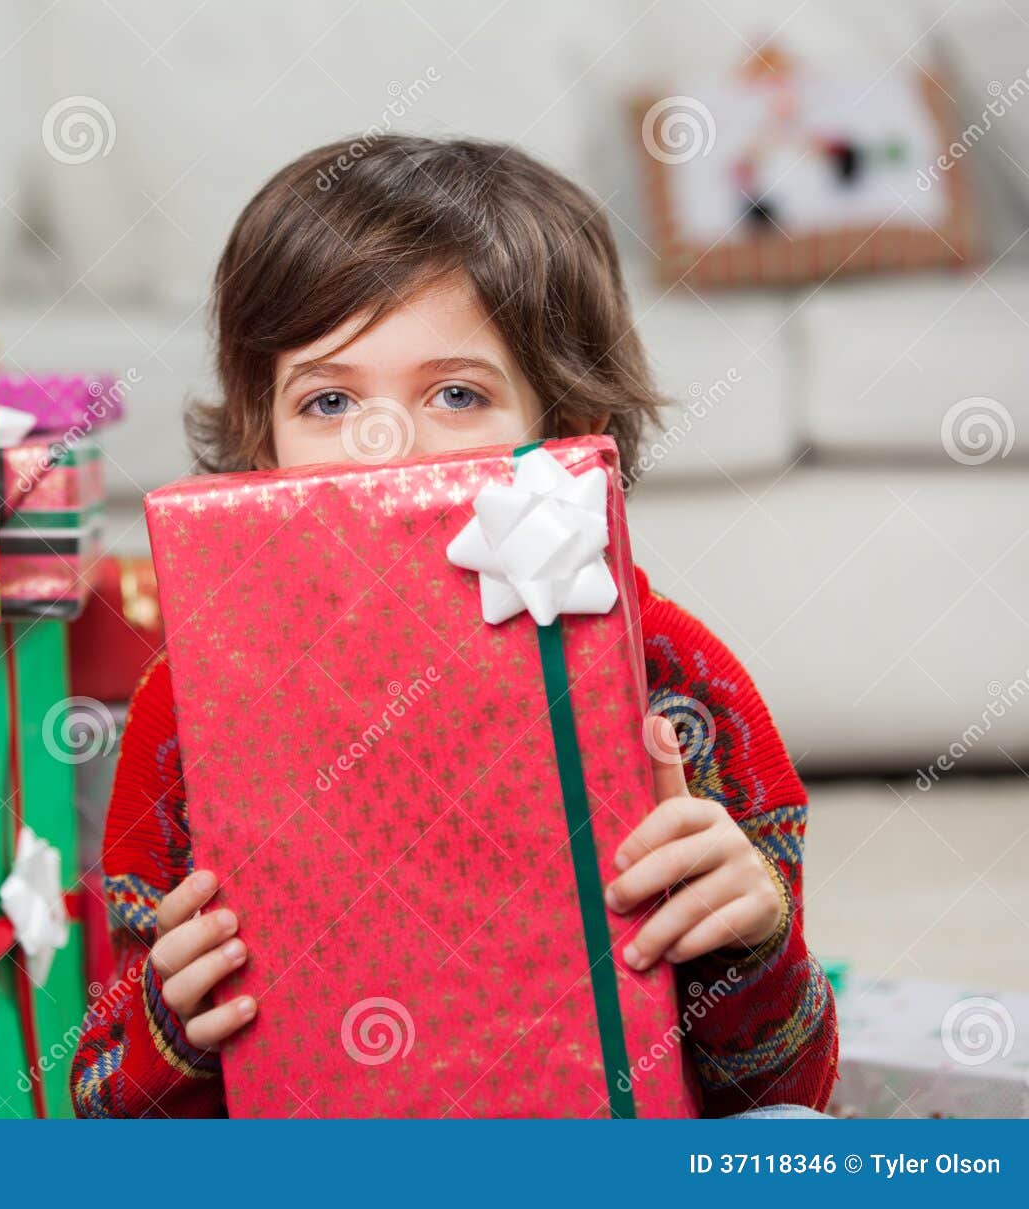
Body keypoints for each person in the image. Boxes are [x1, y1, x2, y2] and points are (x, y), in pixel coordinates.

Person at [70, 135, 837, 1118]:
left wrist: (752, 945)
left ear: (567, 426)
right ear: (263, 440)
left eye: (457, 393)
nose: (385, 444)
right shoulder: (189, 710)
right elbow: (102, 1100)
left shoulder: (675, 678)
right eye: (329, 399)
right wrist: (172, 1024)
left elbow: (790, 1090)